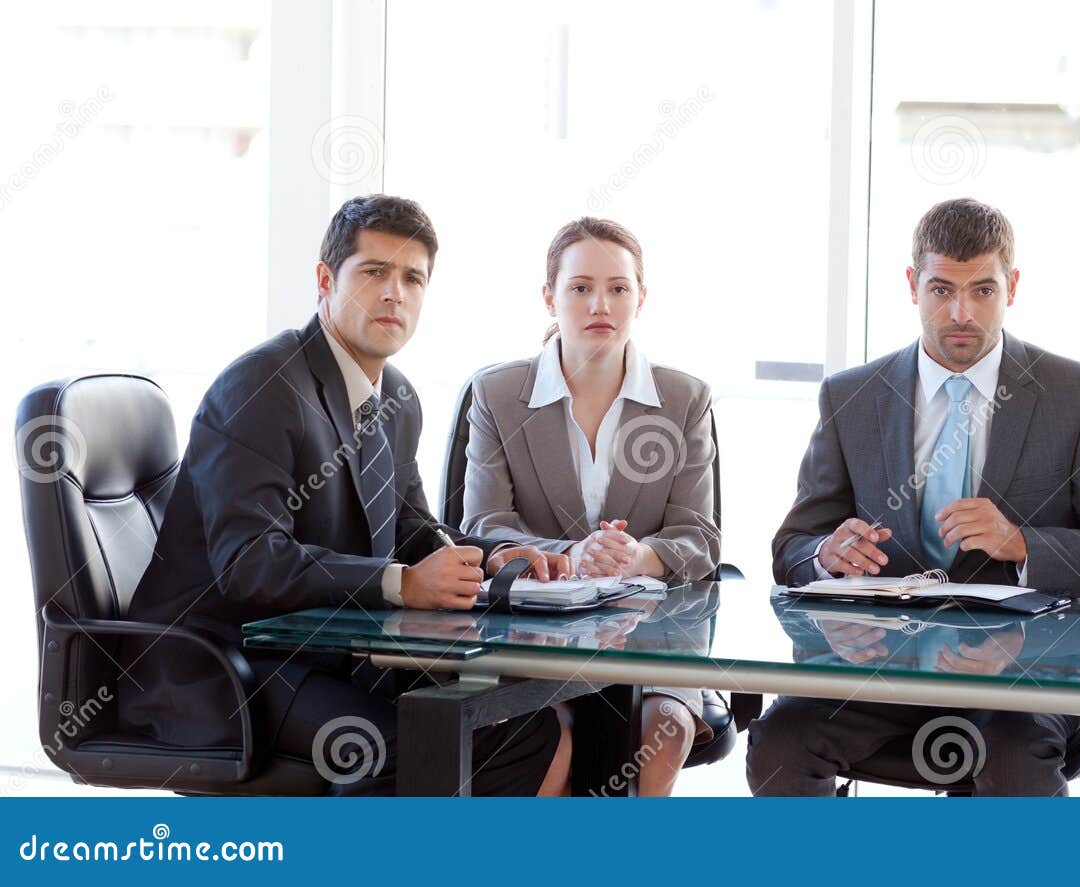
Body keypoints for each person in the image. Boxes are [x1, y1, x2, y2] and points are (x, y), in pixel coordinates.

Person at [122, 195, 570, 795]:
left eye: (413, 278)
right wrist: (403, 583)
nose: (395, 293)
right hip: (228, 663)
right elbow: (248, 562)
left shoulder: (397, 397)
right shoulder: (261, 387)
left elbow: (414, 528)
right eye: (374, 272)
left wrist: (493, 559)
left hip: (330, 651)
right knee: (406, 745)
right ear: (326, 281)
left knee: (526, 730)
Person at [747, 198, 1080, 796]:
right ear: (913, 285)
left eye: (982, 291)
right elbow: (791, 550)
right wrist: (825, 557)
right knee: (779, 740)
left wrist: (1021, 544)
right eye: (941, 289)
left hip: (1025, 676)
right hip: (879, 669)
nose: (960, 312)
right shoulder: (851, 397)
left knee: (1014, 759)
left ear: (1011, 287)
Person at [462, 216, 719, 796]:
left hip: (649, 635)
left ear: (641, 298)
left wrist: (638, 556)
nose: (600, 303)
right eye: (580, 287)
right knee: (545, 737)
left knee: (669, 726)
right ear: (549, 296)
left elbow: (699, 535)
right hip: (533, 637)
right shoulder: (498, 394)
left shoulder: (683, 398)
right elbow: (480, 527)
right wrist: (573, 554)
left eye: (618, 288)